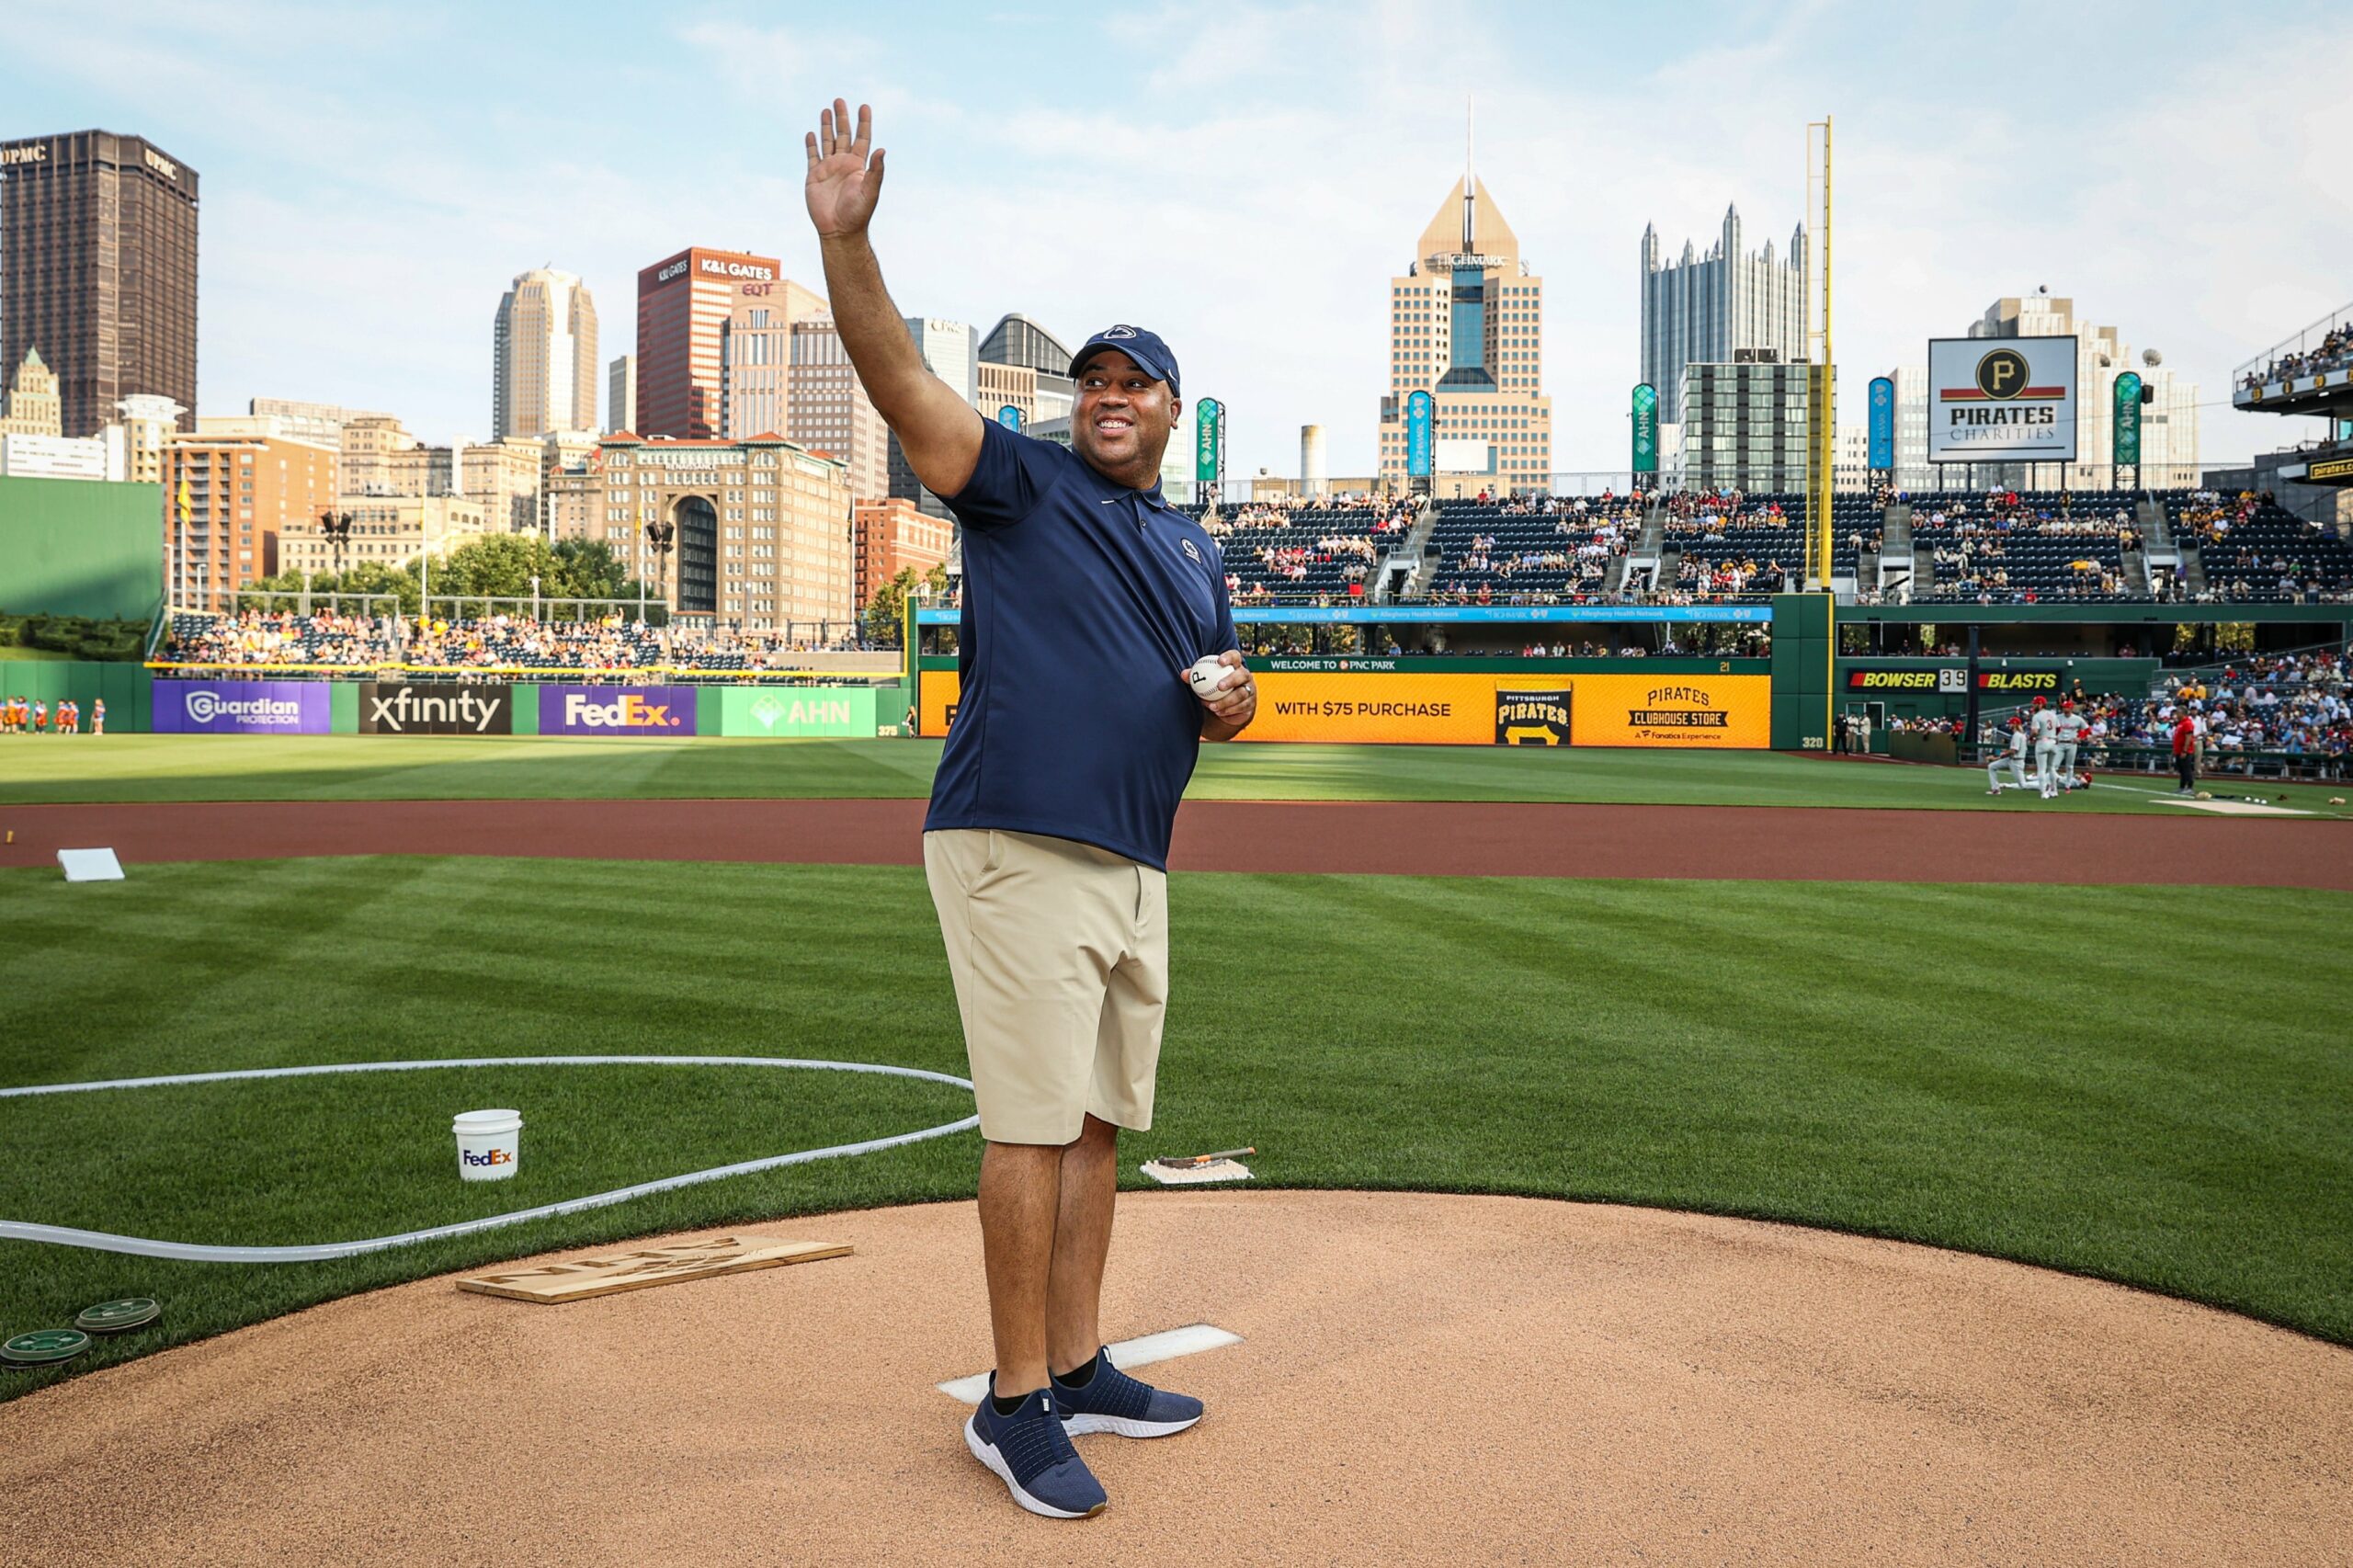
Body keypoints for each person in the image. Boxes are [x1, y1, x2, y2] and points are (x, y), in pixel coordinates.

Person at [806, 98, 1250, 1522]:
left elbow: (1206, 694)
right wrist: (849, 242)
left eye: (1135, 382)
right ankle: (1011, 1403)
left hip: (1133, 860)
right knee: (1030, 1122)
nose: (1108, 395)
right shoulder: (1019, 484)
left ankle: (1075, 1359)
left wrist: (1237, 708)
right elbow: (898, 379)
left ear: (1174, 409)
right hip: (1017, 834)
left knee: (1103, 1122)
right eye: (1094, 380)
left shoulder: (1193, 549)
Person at [1987, 716, 2031, 795]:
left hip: (2017, 762)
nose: (2009, 725)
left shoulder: (2017, 735)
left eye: (2010, 723)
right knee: (1991, 766)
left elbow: (2014, 751)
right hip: (2011, 760)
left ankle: (2044, 786)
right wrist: (2004, 754)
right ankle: (1995, 789)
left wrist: (2003, 754)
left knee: (2023, 785)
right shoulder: (2020, 735)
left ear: (2014, 724)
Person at [2053, 699, 2088, 790]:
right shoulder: (2057, 717)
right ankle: (2052, 784)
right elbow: (2050, 728)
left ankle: (2068, 785)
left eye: (2067, 707)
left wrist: (2080, 738)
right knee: (2054, 766)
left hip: (2071, 744)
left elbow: (2087, 729)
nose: (2065, 709)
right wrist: (2053, 736)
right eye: (2064, 707)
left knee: (2069, 766)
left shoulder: (2077, 719)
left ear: (2071, 708)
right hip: (2059, 743)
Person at [2029, 696, 2060, 798]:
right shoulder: (2053, 714)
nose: (2033, 705)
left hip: (2042, 741)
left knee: (2041, 769)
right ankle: (2054, 791)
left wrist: (2030, 737)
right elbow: (2058, 728)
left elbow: (2035, 732)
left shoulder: (2037, 716)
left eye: (2035, 704)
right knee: (2051, 768)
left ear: (2041, 704)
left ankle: (2043, 792)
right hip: (2053, 741)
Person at [2173, 708, 2199, 794]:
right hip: (2178, 750)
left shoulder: (2187, 723)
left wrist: (2185, 750)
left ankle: (2190, 787)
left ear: (2182, 713)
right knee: (2182, 770)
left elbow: (2188, 738)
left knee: (2187, 769)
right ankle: (2182, 786)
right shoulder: (2180, 723)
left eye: (2178, 713)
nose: (2176, 714)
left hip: (2185, 751)